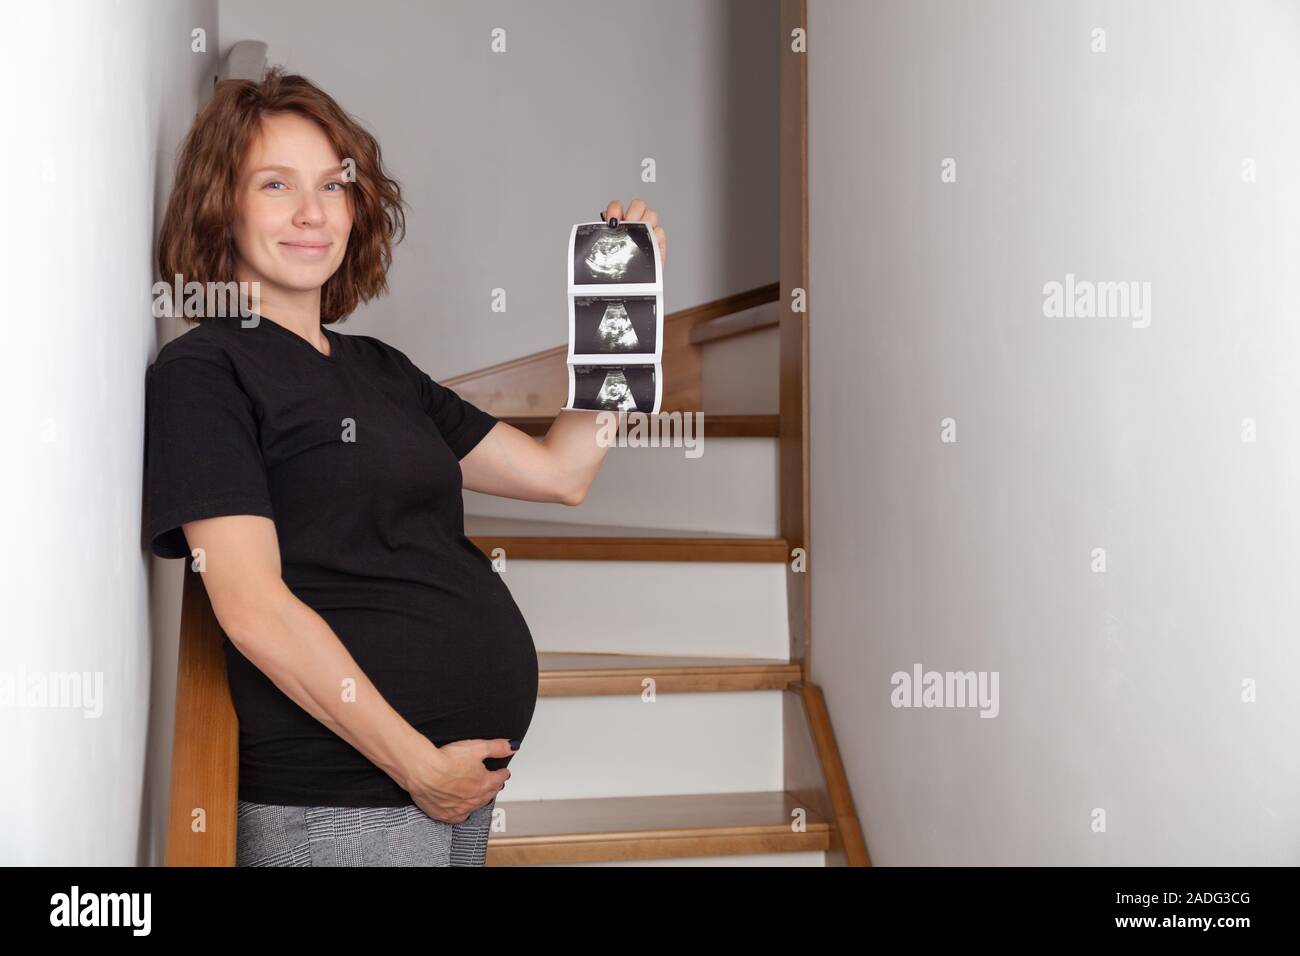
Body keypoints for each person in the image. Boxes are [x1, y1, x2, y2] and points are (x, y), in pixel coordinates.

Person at [144, 67, 667, 866]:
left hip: (454, 787)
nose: (312, 213)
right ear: (222, 206)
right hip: (341, 803)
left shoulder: (382, 370)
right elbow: (250, 606)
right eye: (276, 185)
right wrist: (417, 766)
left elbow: (561, 473)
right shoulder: (205, 372)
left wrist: (619, 316)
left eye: (334, 185)